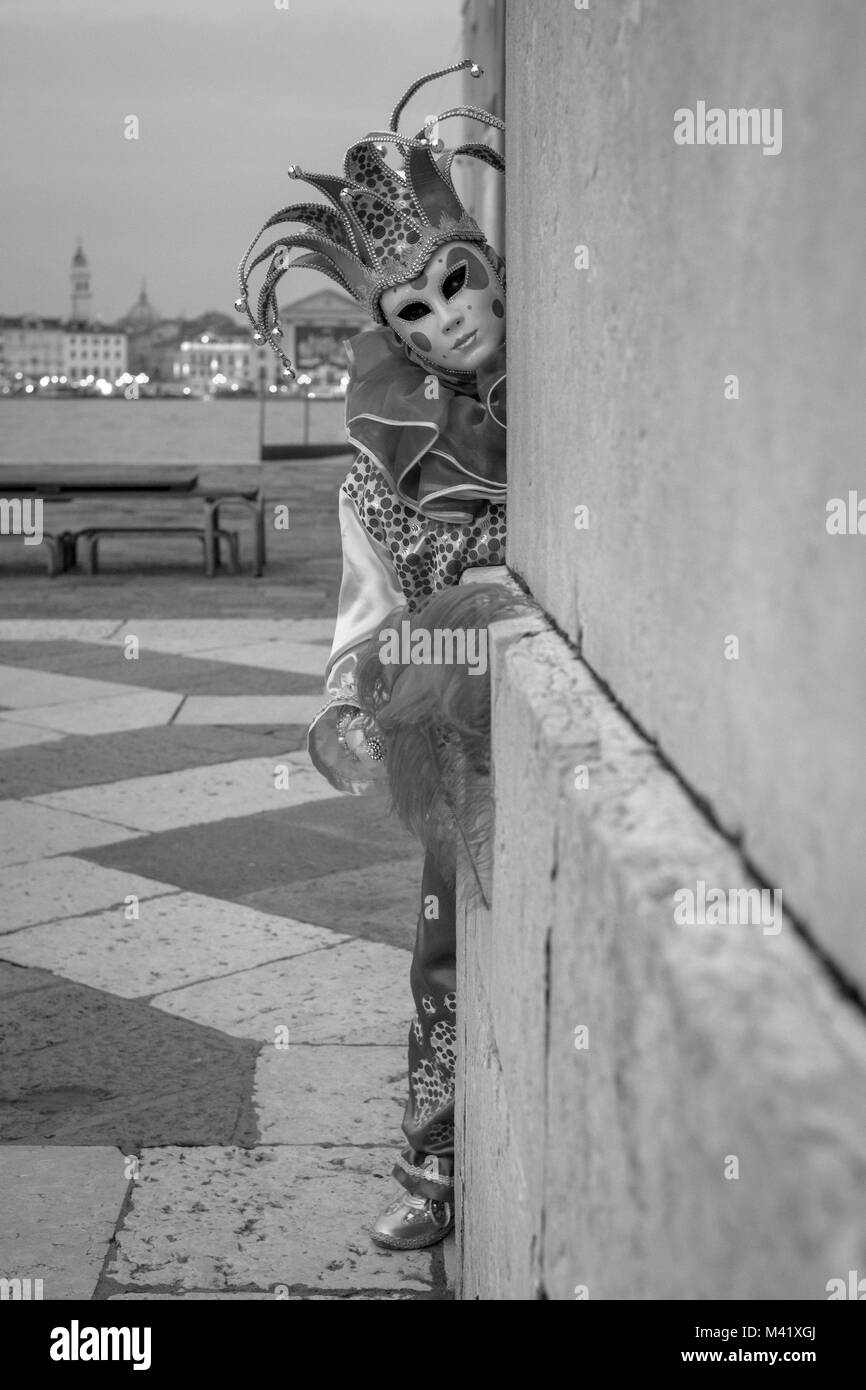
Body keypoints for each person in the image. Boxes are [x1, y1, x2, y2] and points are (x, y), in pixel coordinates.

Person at [237, 59, 526, 1250]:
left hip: (543, 709)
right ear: (387, 329)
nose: (446, 315)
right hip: (449, 738)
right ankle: (439, 1166)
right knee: (441, 948)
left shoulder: (562, 402)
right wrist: (372, 686)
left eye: (458, 282)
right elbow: (364, 616)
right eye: (412, 309)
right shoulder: (376, 470)